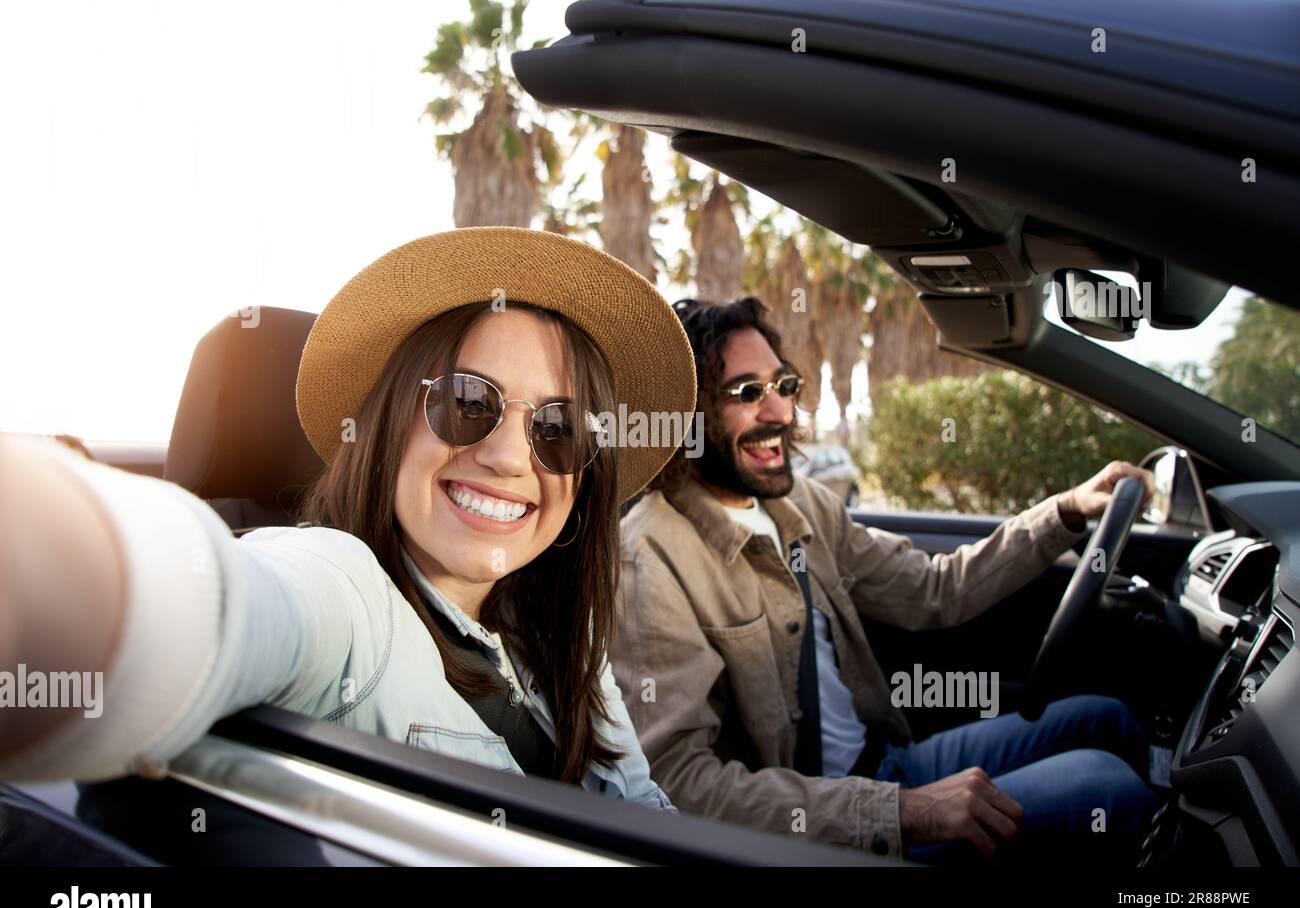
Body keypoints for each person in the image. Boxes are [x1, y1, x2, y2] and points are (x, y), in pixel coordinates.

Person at [0, 227, 696, 810]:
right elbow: (202, 605)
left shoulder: (563, 636)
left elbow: (648, 813)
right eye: (466, 402)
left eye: (559, 428)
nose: (511, 458)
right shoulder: (343, 592)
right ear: (387, 421)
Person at [612, 296, 1158, 862]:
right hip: (827, 831)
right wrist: (901, 813)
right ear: (685, 412)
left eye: (783, 385)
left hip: (888, 764)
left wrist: (1066, 511)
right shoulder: (649, 560)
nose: (779, 412)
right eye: (748, 393)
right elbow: (676, 785)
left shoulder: (800, 504)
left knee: (1106, 718)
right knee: (1107, 790)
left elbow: (933, 590)